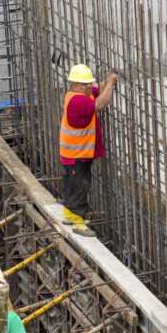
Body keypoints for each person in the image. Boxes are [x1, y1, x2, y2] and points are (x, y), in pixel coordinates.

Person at [59, 64, 118, 236]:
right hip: (77, 154)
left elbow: (95, 89)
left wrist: (106, 81)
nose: (88, 87)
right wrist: (111, 85)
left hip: (72, 154)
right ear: (74, 84)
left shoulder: (76, 94)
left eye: (88, 84)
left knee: (70, 185)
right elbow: (100, 104)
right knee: (80, 187)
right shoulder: (78, 101)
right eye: (84, 85)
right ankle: (79, 223)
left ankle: (69, 215)